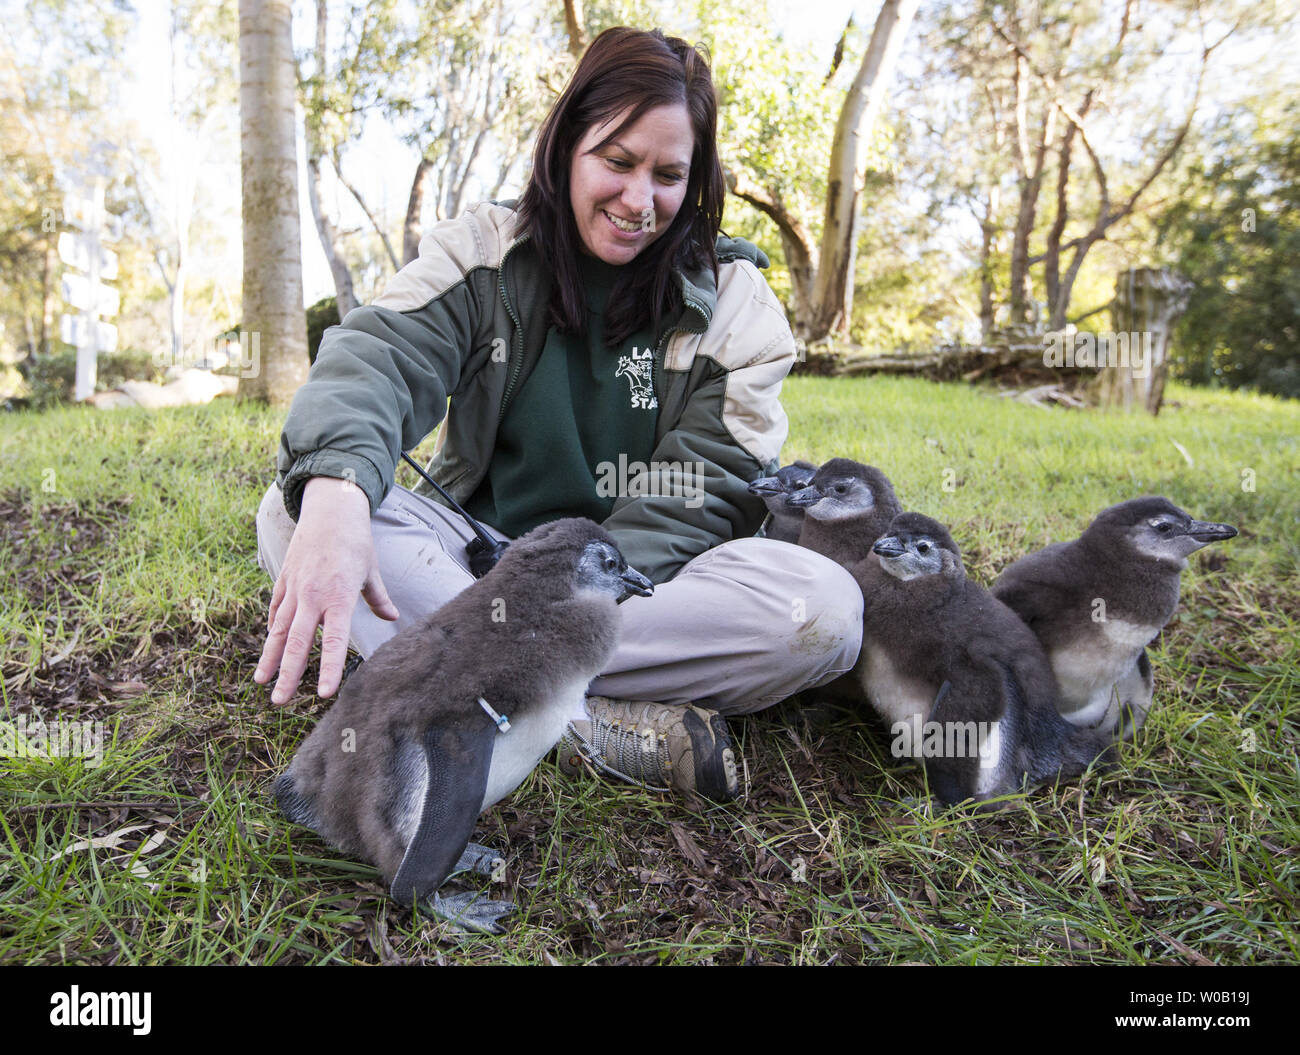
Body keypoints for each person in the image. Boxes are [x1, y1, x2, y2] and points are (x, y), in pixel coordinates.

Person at [254, 26, 862, 802]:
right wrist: (338, 490)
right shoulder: (481, 250)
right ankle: (585, 723)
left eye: (669, 175)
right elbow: (378, 355)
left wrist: (582, 602)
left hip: (642, 586)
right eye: (618, 161)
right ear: (569, 141)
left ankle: (509, 699)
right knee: (294, 508)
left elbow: (705, 493)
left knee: (826, 613)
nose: (640, 201)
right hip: (475, 566)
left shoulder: (741, 308)